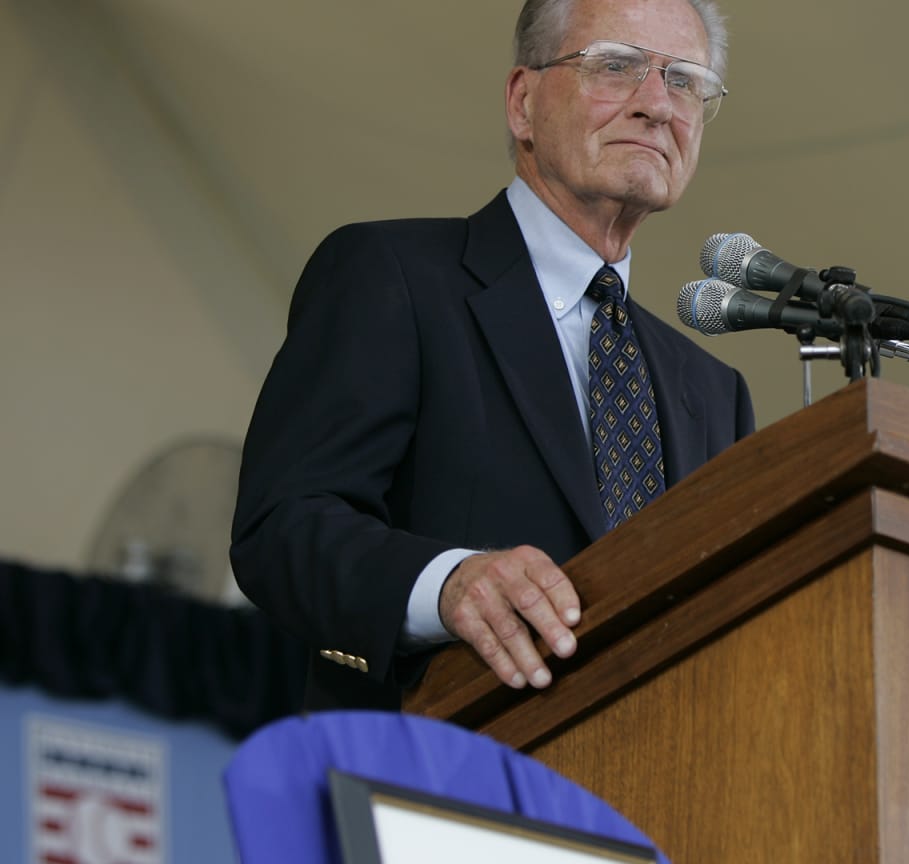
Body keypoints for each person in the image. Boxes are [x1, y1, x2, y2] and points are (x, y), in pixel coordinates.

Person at [231, 0, 753, 711]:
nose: (658, 105)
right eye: (618, 67)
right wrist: (447, 584)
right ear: (523, 102)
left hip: (652, 798)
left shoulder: (713, 391)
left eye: (686, 80)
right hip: (439, 779)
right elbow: (285, 527)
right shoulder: (393, 276)